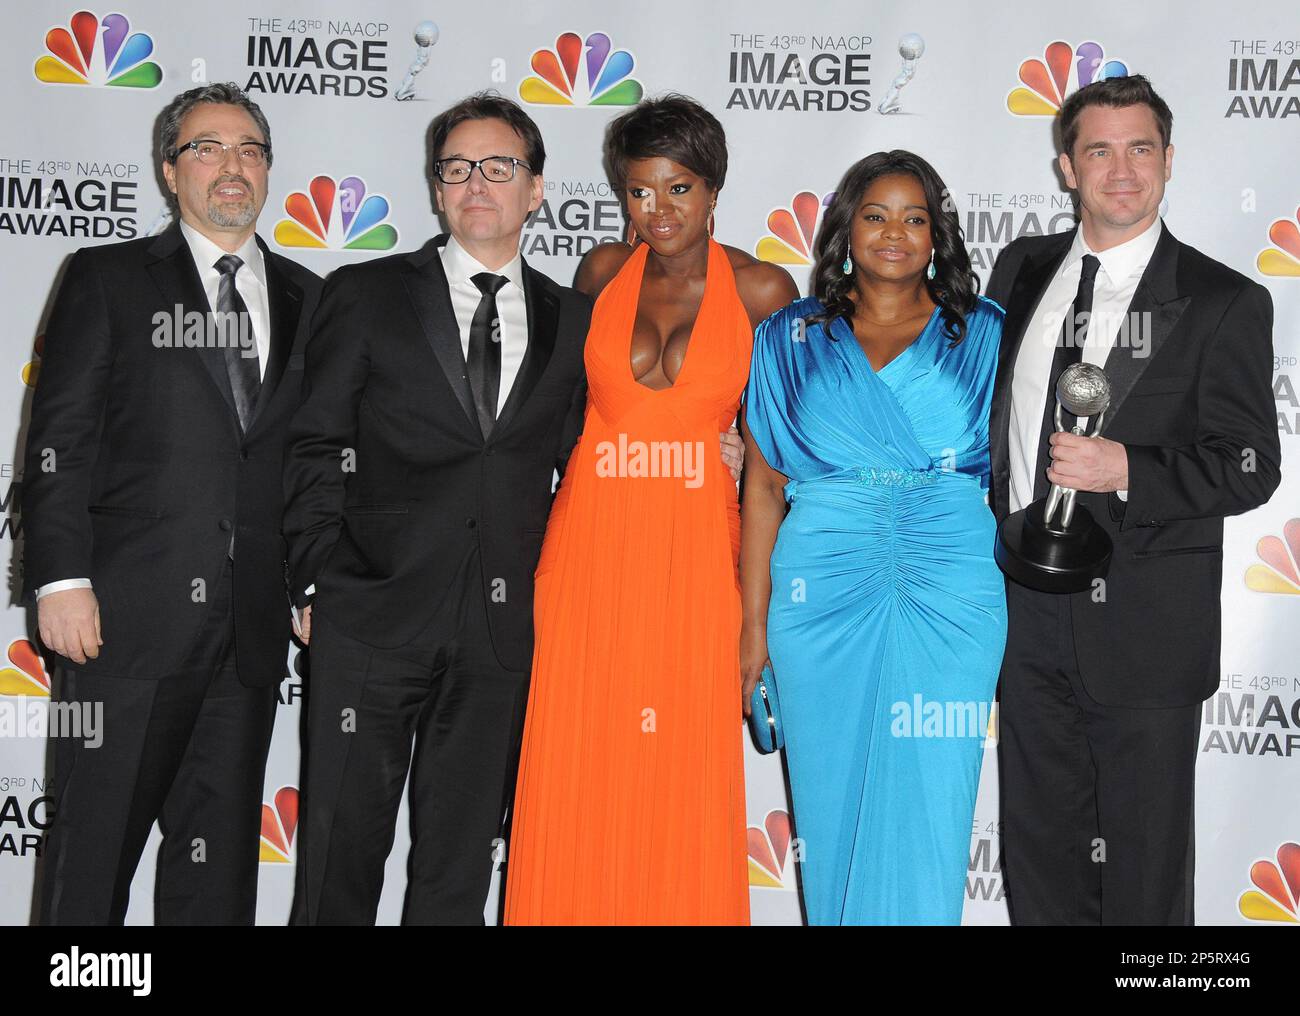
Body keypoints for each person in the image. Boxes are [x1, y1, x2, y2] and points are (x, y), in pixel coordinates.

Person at [282, 92, 746, 925]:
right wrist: (314, 582)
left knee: (458, 865)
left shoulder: (578, 314)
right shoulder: (366, 292)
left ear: (536, 191)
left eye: (501, 168)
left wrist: (720, 454)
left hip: (507, 627)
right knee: (337, 858)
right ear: (435, 189)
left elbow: (599, 436)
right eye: (457, 169)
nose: (477, 185)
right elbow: (313, 440)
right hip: (372, 616)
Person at [985, 74, 1279, 925]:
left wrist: (1126, 467)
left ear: (1170, 160)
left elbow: (1251, 464)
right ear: (1067, 168)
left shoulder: (1224, 299)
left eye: (1140, 148)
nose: (1122, 170)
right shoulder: (1023, 267)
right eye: (1100, 150)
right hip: (1023, 613)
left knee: (1145, 875)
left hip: (1146, 623)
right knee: (1038, 854)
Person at [25, 83, 321, 924]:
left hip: (248, 639)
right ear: (168, 170)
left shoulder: (310, 297)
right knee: (92, 857)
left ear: (268, 169)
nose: (232, 167)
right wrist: (58, 580)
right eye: (207, 148)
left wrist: (311, 584)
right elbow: (60, 439)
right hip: (121, 622)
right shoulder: (108, 277)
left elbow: (308, 463)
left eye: (250, 150)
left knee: (216, 873)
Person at [504, 94, 797, 925]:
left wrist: (755, 617)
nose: (658, 211)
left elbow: (777, 463)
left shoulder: (765, 288)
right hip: (589, 548)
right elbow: (550, 413)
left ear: (713, 191)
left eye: (678, 190)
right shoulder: (599, 274)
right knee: (577, 763)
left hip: (698, 555)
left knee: (680, 770)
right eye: (638, 191)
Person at [740, 152, 1006, 924]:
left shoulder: (984, 333)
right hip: (818, 585)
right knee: (832, 801)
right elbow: (761, 487)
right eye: (877, 215)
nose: (895, 233)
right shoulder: (790, 336)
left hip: (950, 584)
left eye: (915, 218)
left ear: (937, 235)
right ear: (846, 229)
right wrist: (752, 629)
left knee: (932, 793)